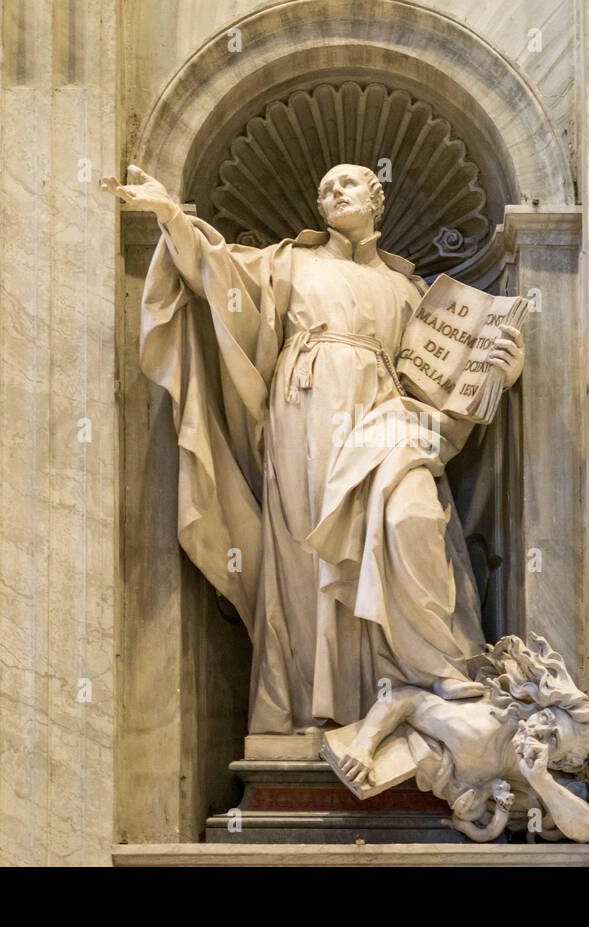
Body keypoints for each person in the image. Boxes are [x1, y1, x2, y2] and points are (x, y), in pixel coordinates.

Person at [102, 163, 525, 734]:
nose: (331, 192)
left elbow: (445, 387)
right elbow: (215, 272)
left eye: (346, 184)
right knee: (310, 559)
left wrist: (501, 373)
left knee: (413, 516)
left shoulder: (411, 290)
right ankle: (316, 709)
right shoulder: (289, 263)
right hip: (305, 411)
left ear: (377, 198)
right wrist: (170, 216)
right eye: (323, 188)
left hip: (385, 415)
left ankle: (429, 667)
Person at [331, 633, 589, 842]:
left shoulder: (542, 784)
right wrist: (364, 744)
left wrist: (543, 782)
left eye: (554, 740)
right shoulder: (479, 730)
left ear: (561, 762)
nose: (539, 731)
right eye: (547, 719)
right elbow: (405, 699)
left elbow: (587, 831)